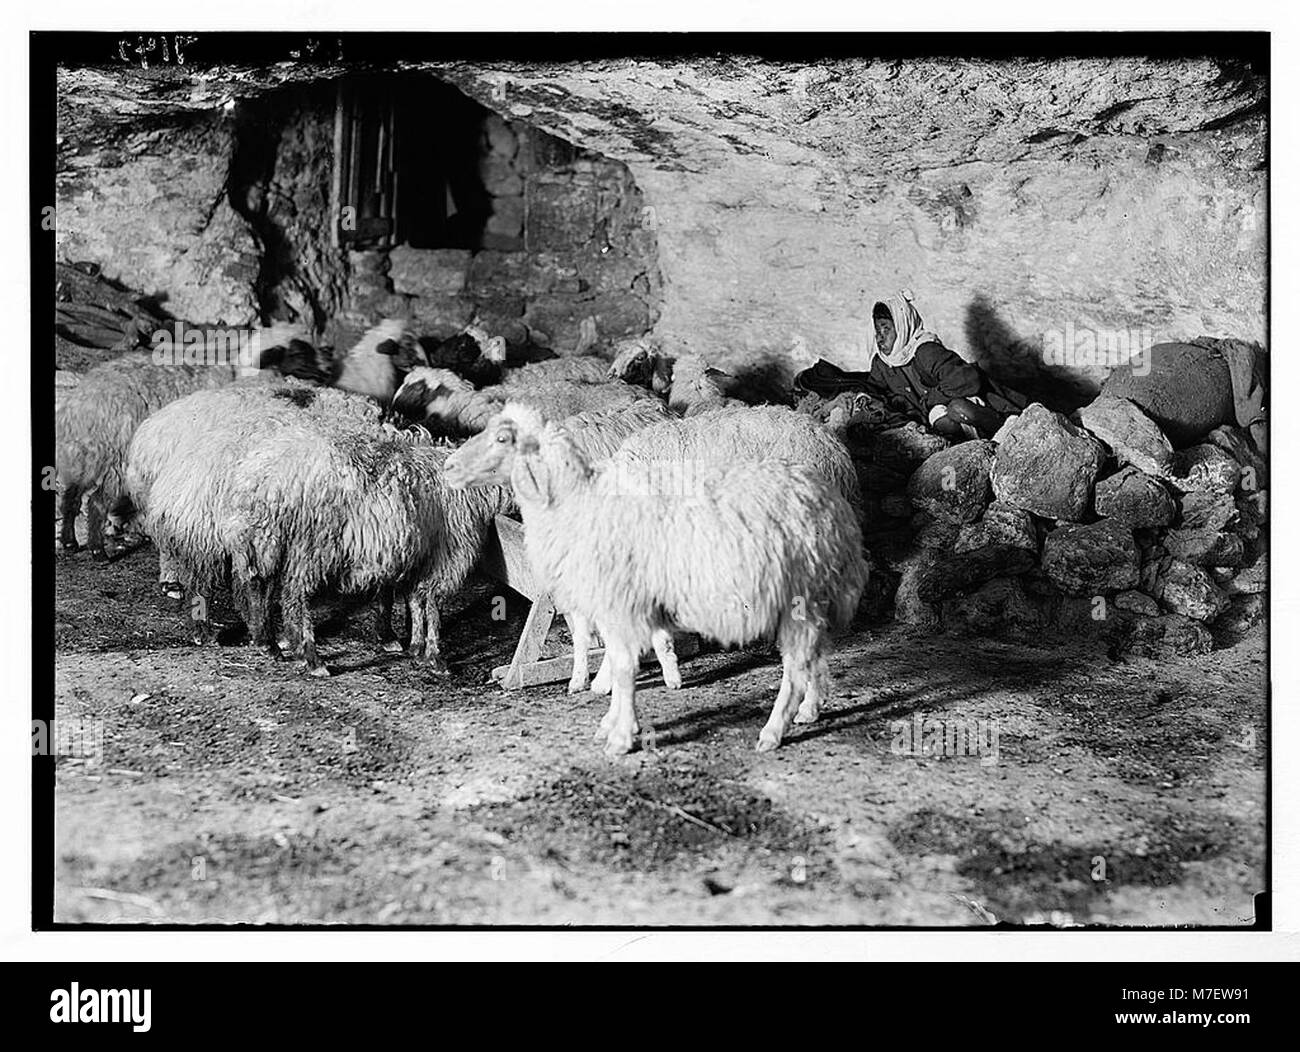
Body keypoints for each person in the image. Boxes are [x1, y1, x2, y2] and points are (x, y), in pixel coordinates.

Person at [795, 289, 1027, 440]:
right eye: (878, 330)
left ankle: (1003, 431)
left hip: (973, 406)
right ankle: (969, 451)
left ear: (903, 326)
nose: (880, 337)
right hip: (936, 420)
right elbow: (881, 393)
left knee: (956, 409)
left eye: (887, 329)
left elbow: (968, 380)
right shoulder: (882, 364)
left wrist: (933, 399)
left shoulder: (925, 350)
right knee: (940, 421)